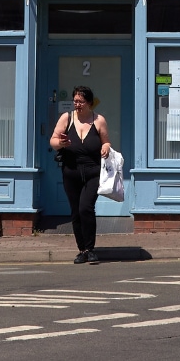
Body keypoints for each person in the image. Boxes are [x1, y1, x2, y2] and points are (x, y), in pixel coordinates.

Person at [49, 85, 111, 264]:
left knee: (86, 208)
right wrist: (60, 143)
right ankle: (82, 250)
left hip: (92, 172)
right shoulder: (66, 118)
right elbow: (53, 141)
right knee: (76, 212)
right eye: (75, 101)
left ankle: (91, 249)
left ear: (89, 103)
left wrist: (105, 147)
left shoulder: (98, 120)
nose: (77, 104)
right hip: (71, 172)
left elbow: (106, 142)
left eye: (80, 101)